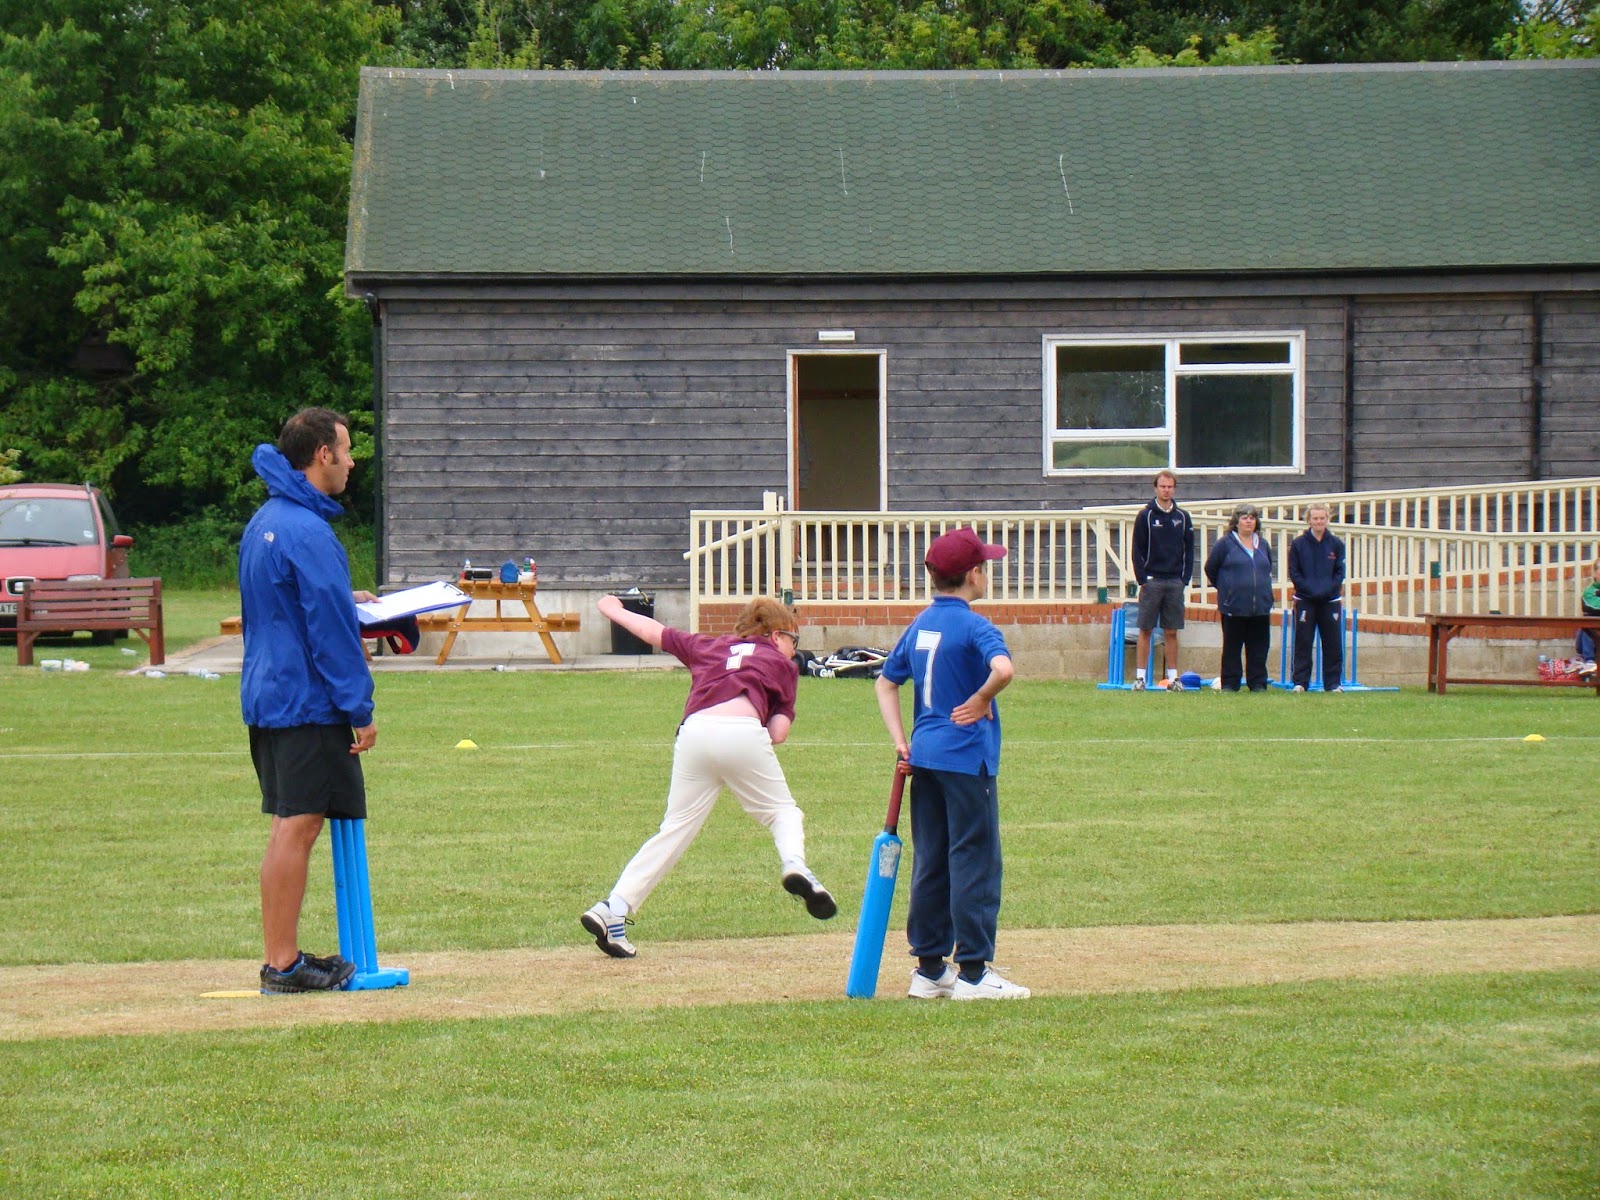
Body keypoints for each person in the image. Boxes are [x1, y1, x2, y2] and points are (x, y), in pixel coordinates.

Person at [580, 594, 834, 958]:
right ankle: (797, 867)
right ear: (777, 635)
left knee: (675, 827)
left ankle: (613, 909)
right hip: (742, 732)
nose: (794, 650)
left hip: (694, 732)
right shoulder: (781, 664)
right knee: (782, 812)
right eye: (793, 640)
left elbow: (655, 631)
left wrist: (614, 610)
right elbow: (777, 733)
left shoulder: (709, 645)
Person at [240, 408, 379, 994]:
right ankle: (283, 964)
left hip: (269, 694)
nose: (351, 462)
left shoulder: (267, 520)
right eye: (345, 451)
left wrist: (345, 596)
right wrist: (360, 708)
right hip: (306, 701)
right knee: (297, 826)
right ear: (322, 455)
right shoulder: (308, 530)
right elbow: (327, 630)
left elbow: (287, 602)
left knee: (288, 824)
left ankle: (283, 958)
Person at [875, 527, 1027, 1001]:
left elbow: (885, 682)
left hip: (925, 757)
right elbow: (1003, 670)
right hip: (966, 760)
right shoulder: (977, 626)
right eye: (985, 567)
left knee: (933, 856)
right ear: (973, 576)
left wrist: (903, 742)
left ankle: (928, 967)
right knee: (975, 858)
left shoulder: (921, 623)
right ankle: (975, 973)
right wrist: (982, 698)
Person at [1130, 469, 1195, 691]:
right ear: (1155, 488)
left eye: (1170, 487)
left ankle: (1173, 678)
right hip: (1152, 580)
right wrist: (1142, 579)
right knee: (1146, 629)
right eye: (1162, 486)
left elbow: (1189, 550)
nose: (1166, 490)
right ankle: (1140, 678)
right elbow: (1136, 549)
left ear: (1174, 489)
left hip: (1174, 581)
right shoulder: (1145, 515)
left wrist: (1184, 579)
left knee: (1171, 631)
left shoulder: (1183, 517)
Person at [1204, 504, 1275, 692]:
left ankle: (1258, 682)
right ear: (1236, 521)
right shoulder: (1225, 544)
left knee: (1259, 647)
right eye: (1244, 517)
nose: (1248, 521)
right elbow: (1210, 568)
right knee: (1232, 648)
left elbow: (1267, 568)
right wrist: (1227, 588)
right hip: (1233, 606)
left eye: (1252, 517)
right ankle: (1230, 683)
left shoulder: (1264, 544)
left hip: (1259, 606)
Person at [1287, 504, 1347, 692]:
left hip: (1330, 601)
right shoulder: (1298, 544)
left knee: (1332, 643)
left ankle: (1333, 683)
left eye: (1322, 518)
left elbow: (1339, 572)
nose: (1318, 522)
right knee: (1303, 642)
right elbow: (1294, 573)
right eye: (1315, 518)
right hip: (1305, 600)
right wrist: (1309, 591)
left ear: (1327, 519)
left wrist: (1327, 591)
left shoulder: (1336, 544)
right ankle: (1300, 683)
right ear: (1309, 520)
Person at [1576, 557, 1600, 677]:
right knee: (1586, 624)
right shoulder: (1589, 592)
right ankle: (1589, 661)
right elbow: (1592, 607)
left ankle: (1584, 659)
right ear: (1595, 574)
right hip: (1595, 630)